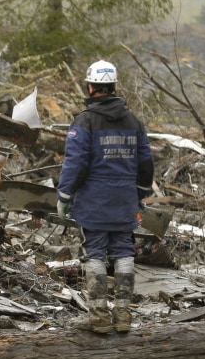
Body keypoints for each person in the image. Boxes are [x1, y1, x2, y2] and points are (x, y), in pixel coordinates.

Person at [57, 60, 154, 333]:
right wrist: (140, 193)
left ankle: (98, 316)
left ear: (91, 87)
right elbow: (146, 162)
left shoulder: (84, 121)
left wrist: (64, 196)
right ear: (113, 87)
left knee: (95, 253)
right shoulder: (134, 122)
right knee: (124, 250)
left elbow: (75, 162)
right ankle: (123, 316)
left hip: (93, 201)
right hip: (124, 199)